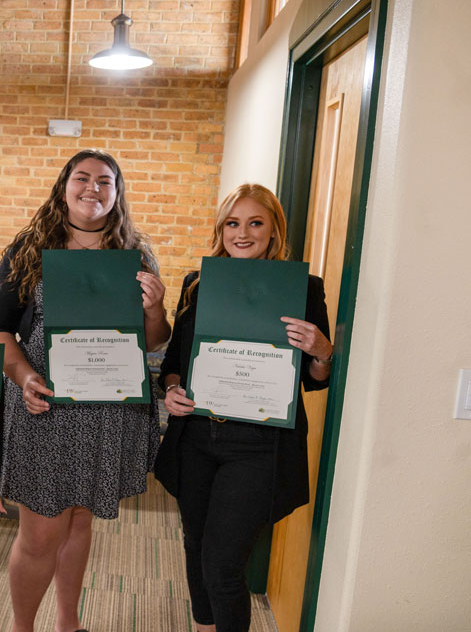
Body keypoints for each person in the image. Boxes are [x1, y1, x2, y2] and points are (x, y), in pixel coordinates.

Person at [0, 149, 171, 632]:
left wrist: (154, 310)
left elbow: (152, 341)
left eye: (104, 181)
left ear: (117, 191)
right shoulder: (28, 250)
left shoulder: (135, 254)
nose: (93, 188)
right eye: (82, 178)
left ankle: (69, 622)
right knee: (41, 532)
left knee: (80, 522)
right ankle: (21, 628)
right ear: (64, 186)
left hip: (108, 408)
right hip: (44, 403)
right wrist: (24, 377)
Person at [154, 183, 333, 632]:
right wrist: (172, 390)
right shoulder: (198, 283)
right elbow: (175, 362)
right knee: (195, 546)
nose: (243, 233)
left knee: (223, 563)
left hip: (258, 447)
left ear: (274, 230)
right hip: (197, 436)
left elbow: (317, 378)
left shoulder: (302, 289)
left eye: (256, 222)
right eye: (233, 223)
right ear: (221, 229)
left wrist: (322, 350)